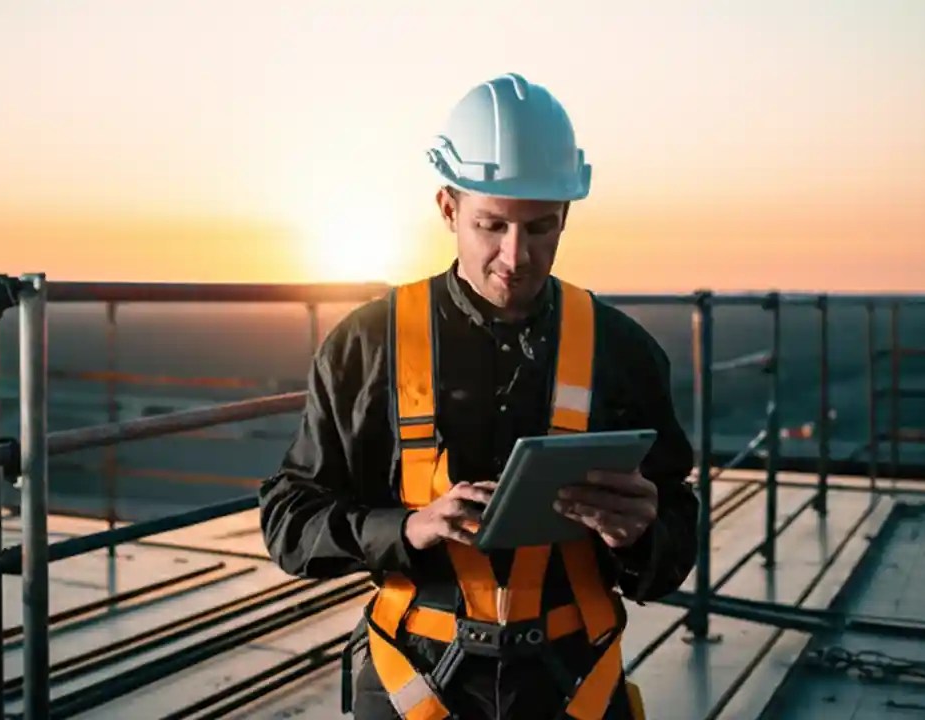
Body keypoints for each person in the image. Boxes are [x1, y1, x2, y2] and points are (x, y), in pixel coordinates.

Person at [259, 73, 697, 720]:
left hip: (571, 679)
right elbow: (289, 521)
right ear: (447, 208)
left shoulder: (622, 352)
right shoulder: (366, 347)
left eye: (541, 228)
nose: (515, 256)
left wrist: (642, 536)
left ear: (566, 215)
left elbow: (674, 532)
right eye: (491, 225)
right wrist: (407, 528)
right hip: (414, 677)